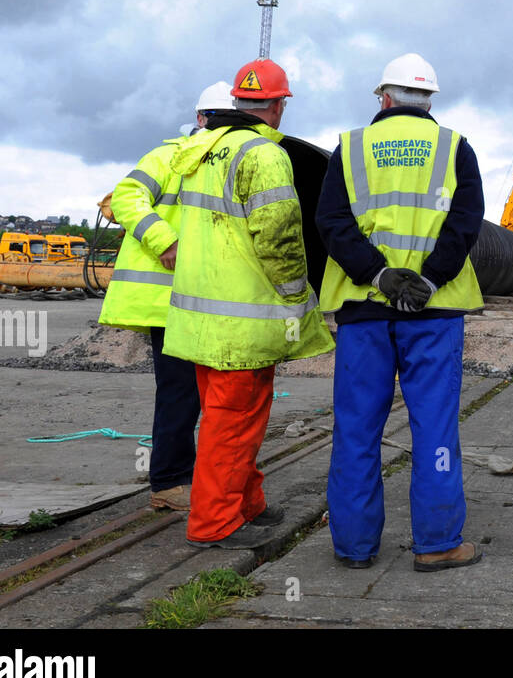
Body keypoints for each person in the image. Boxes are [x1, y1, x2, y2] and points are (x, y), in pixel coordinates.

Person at [315, 53, 486, 571]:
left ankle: (354, 547)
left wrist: (378, 275)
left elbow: (331, 222)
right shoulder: (454, 147)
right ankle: (437, 544)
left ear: (384, 97)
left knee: (355, 430)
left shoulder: (349, 148)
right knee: (434, 428)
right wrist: (429, 278)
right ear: (429, 100)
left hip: (364, 311)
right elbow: (466, 221)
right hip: (433, 313)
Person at [163, 59, 335, 549]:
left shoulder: (200, 150)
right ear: (278, 106)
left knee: (236, 420)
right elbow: (278, 236)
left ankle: (246, 503)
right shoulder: (263, 154)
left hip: (201, 320)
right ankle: (214, 523)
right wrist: (298, 294)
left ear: (237, 101)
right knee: (232, 425)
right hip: (242, 322)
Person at [98, 81, 235, 512]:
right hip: (169, 301)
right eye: (216, 119)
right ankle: (170, 482)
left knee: (204, 392)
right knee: (181, 391)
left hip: (208, 298)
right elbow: (125, 196)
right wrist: (165, 241)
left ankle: (194, 477)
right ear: (200, 119)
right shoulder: (169, 156)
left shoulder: (228, 159)